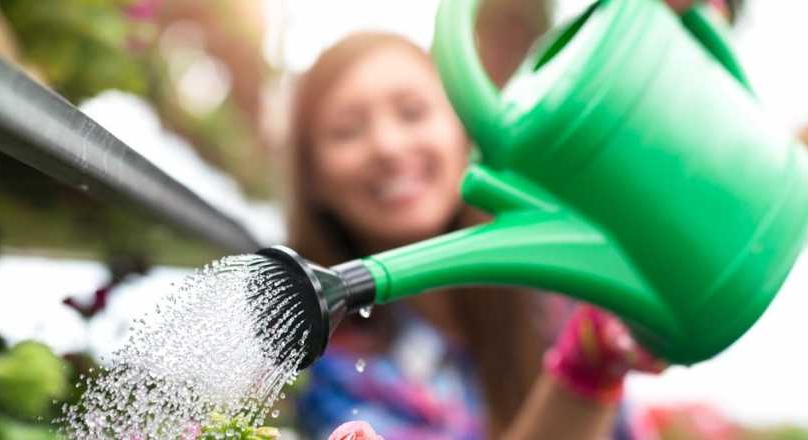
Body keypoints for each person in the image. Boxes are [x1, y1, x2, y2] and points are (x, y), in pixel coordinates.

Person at [283, 1, 740, 438]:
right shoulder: (330, 372)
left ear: (464, 129)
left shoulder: (553, 272)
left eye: (412, 112)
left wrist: (679, 37)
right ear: (314, 178)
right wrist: (587, 367)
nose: (387, 145)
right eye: (347, 131)